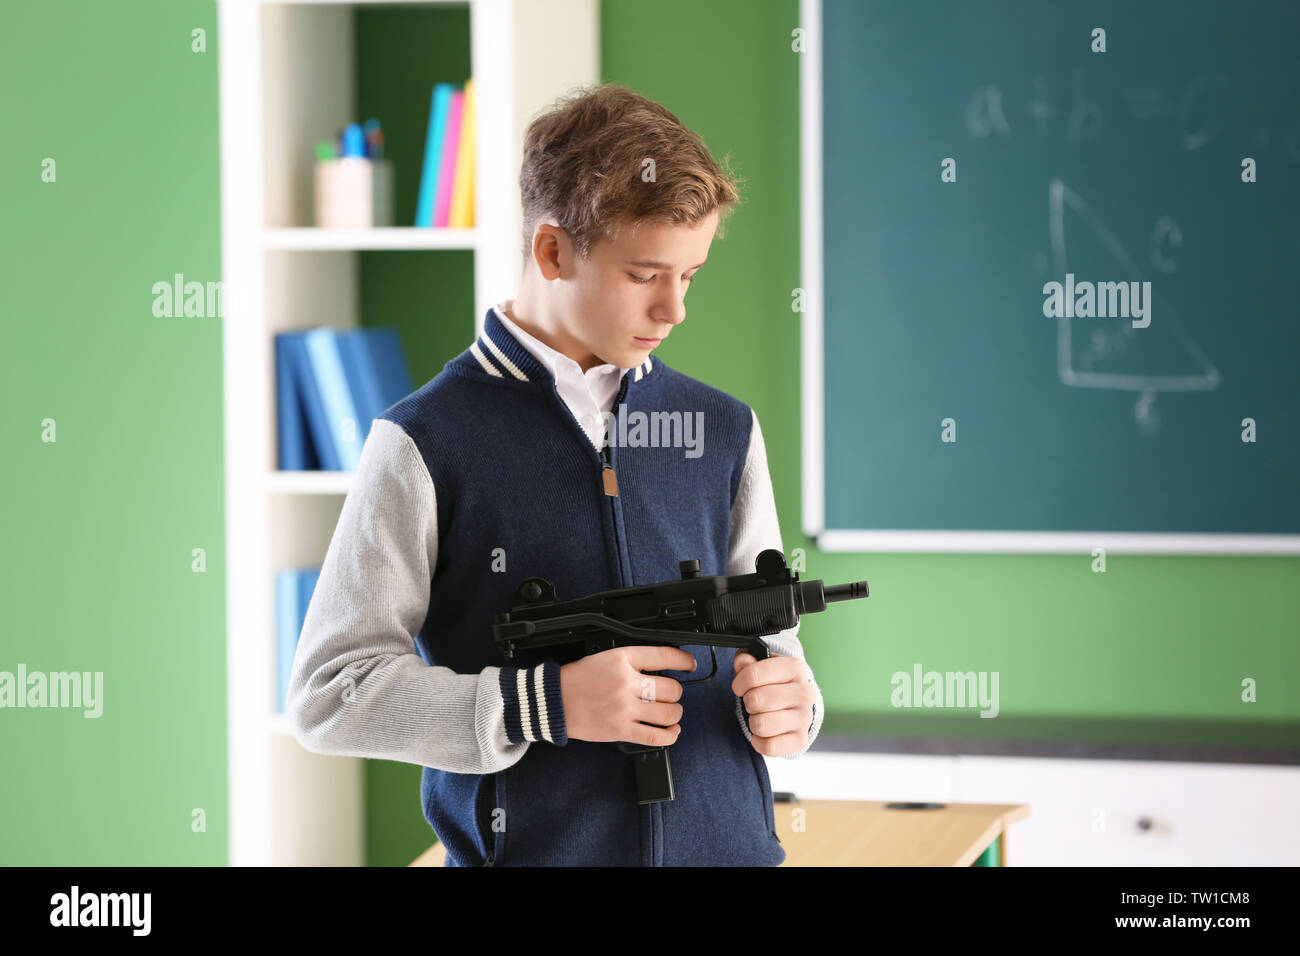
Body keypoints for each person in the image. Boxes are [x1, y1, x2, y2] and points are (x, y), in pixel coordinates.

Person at [288, 83, 824, 866]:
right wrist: (545, 704)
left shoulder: (724, 429)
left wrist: (793, 702)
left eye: (692, 274)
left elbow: (771, 636)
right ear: (551, 251)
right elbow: (331, 693)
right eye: (645, 274)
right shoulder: (423, 440)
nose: (674, 309)